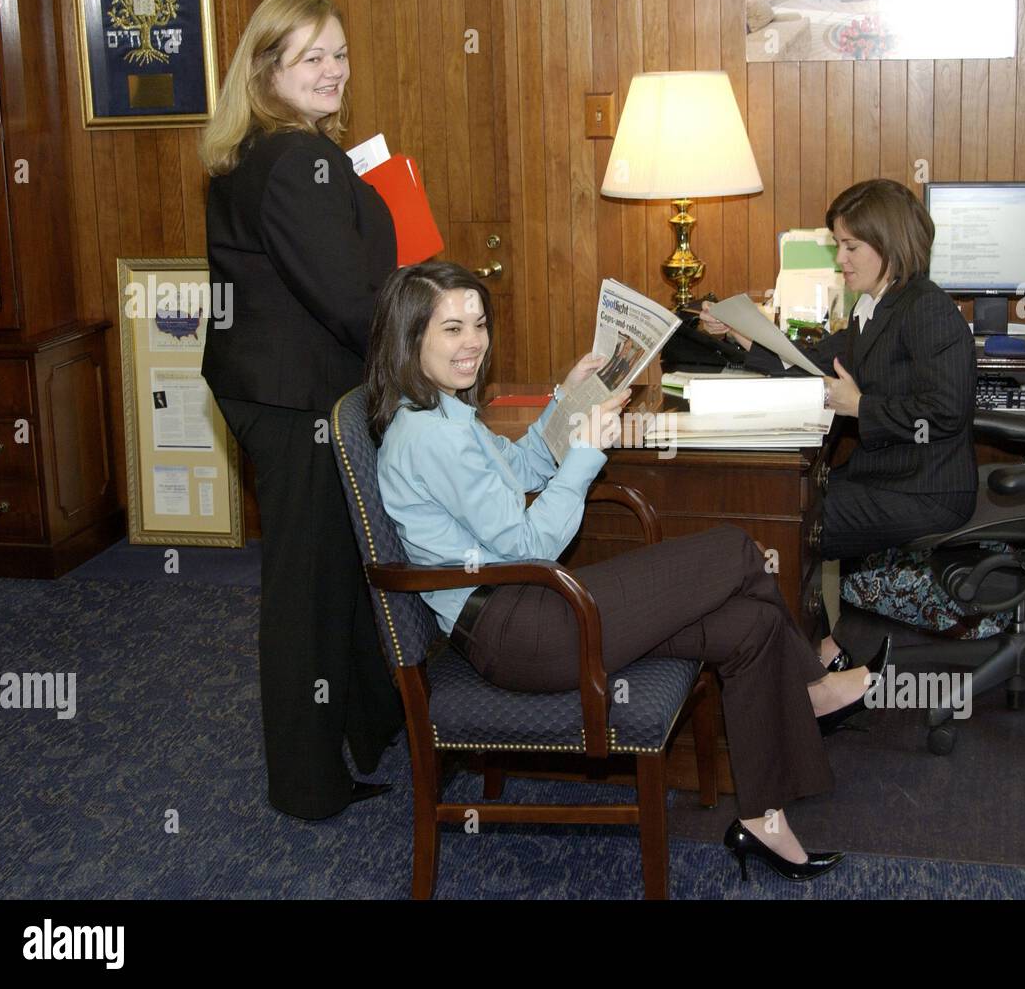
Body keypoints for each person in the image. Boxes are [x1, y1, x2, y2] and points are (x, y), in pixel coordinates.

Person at [370, 261, 892, 881]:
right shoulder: (429, 437)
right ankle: (812, 691)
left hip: (527, 610)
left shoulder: (444, 415)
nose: (473, 343)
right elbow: (530, 542)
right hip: (519, 631)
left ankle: (763, 817)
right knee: (732, 549)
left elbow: (523, 467)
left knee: (749, 625)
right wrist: (589, 451)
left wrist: (570, 400)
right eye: (452, 329)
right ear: (411, 339)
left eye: (479, 325)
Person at [199, 0, 403, 820]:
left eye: (340, 54)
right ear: (266, 69)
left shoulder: (268, 150)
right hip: (299, 404)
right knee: (307, 590)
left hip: (278, 393)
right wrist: (434, 336)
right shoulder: (293, 162)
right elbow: (353, 302)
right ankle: (309, 784)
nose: (332, 70)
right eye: (310, 56)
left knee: (336, 576)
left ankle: (371, 727)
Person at [700, 179, 977, 671]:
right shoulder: (876, 308)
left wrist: (860, 406)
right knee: (790, 508)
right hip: (893, 477)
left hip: (927, 491)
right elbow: (806, 362)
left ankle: (806, 669)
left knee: (792, 523)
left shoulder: (926, 308)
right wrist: (742, 335)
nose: (840, 260)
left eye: (851, 247)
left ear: (888, 243)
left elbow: (946, 412)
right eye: (838, 247)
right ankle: (823, 652)